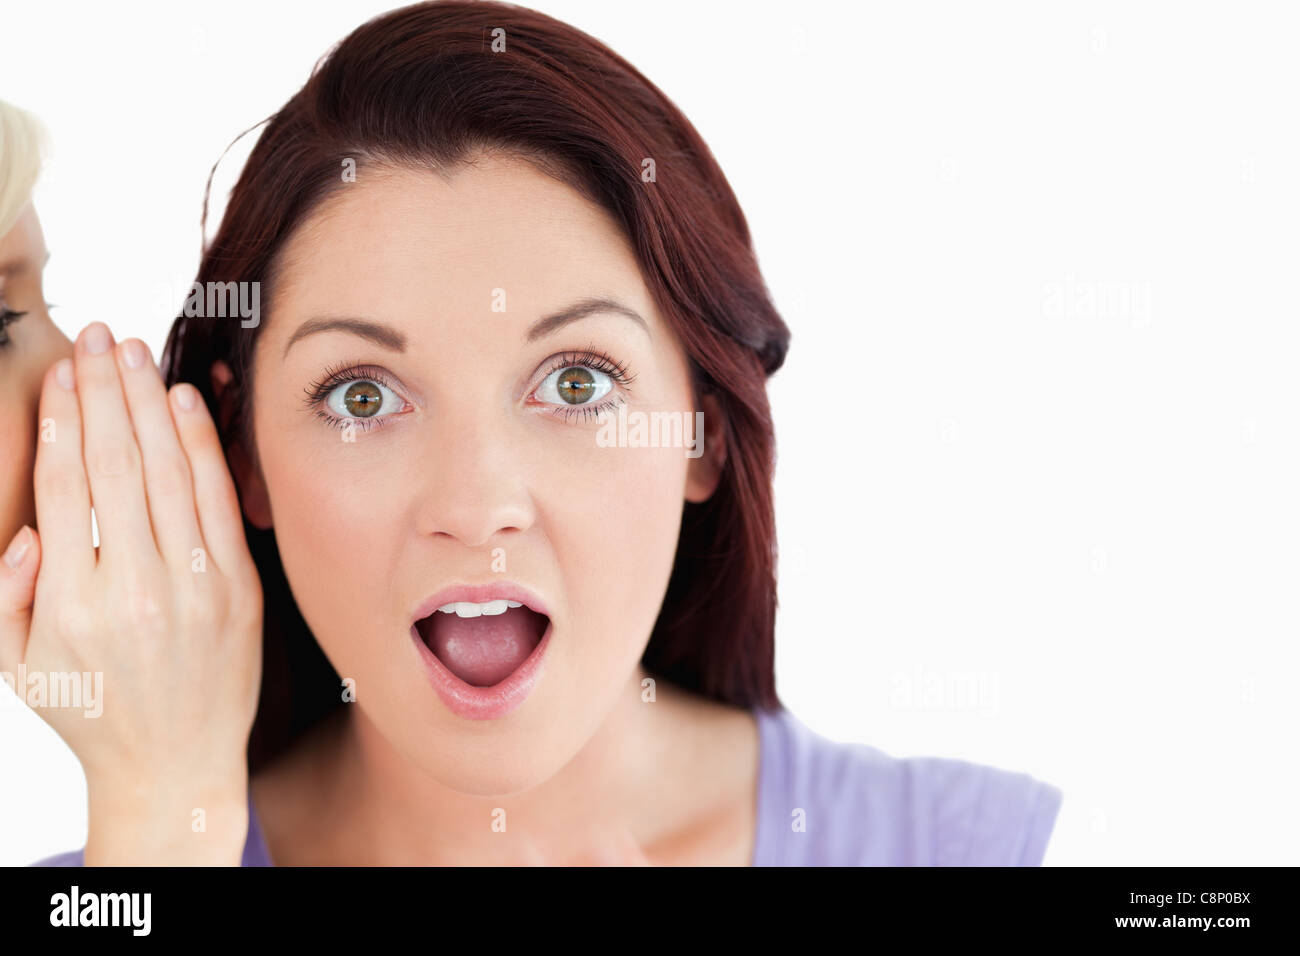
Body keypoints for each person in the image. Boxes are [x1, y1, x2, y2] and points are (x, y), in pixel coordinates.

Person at [21, 0, 1062, 865]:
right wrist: (164, 812)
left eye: (575, 380)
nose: (476, 504)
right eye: (361, 397)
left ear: (700, 429)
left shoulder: (990, 847)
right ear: (241, 458)